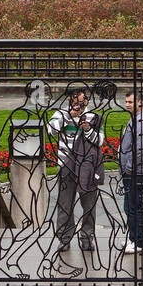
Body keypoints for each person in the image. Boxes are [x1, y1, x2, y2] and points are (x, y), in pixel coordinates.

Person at [47, 87, 104, 273]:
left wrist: (87, 130)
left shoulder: (94, 117)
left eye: (82, 101)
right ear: (69, 101)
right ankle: (64, 239)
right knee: (65, 204)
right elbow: (50, 130)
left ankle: (87, 238)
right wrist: (69, 117)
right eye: (75, 101)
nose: (79, 105)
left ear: (87, 100)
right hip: (66, 166)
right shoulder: (61, 114)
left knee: (89, 205)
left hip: (87, 167)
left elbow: (100, 141)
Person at [119, 90, 143, 254]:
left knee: (134, 207)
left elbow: (139, 150)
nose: (127, 105)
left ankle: (137, 241)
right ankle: (138, 238)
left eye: (130, 102)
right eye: (126, 102)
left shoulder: (142, 122)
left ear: (140, 102)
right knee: (133, 206)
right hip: (134, 170)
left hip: (135, 171)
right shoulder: (136, 119)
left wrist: (128, 169)